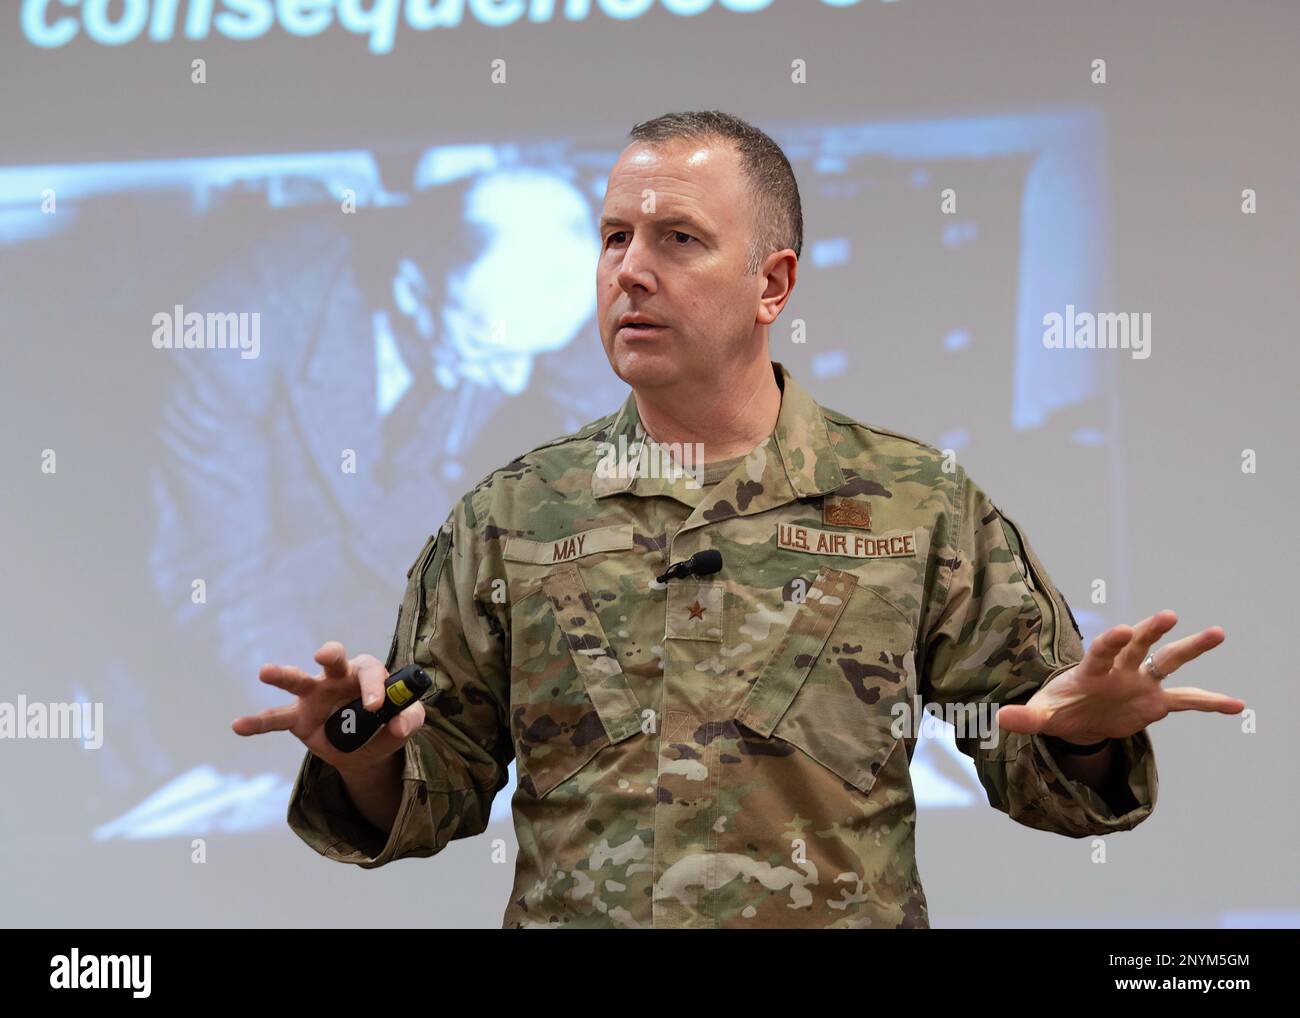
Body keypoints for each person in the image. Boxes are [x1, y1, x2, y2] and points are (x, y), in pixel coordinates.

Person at [233, 110, 1244, 928]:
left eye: (677, 239)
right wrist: (364, 755)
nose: (630, 269)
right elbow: (437, 784)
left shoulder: (916, 502)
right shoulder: (509, 516)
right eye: (615, 238)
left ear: (773, 283)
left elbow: (1031, 748)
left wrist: (1086, 742)